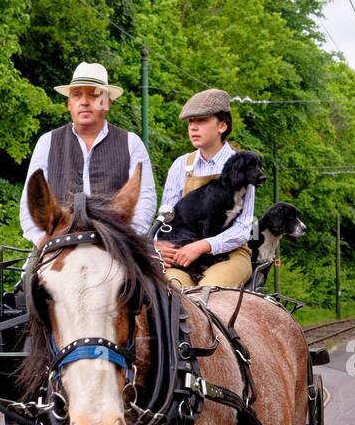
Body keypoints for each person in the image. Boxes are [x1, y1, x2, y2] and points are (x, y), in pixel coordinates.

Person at [20, 62, 157, 240]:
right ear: (69, 104)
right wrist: (40, 238)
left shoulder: (131, 142)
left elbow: (145, 198)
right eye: (76, 96)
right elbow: (30, 201)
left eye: (93, 96)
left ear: (107, 103)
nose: (84, 102)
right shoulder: (48, 142)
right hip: (57, 242)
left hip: (114, 240)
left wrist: (127, 237)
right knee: (25, 269)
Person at [154, 88, 255, 288]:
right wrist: (159, 247)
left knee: (208, 293)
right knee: (170, 291)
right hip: (183, 253)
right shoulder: (180, 165)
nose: (193, 127)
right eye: (191, 122)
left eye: (201, 121)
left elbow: (243, 228)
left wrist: (204, 245)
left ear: (222, 125)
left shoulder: (242, 167)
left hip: (230, 254)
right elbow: (166, 218)